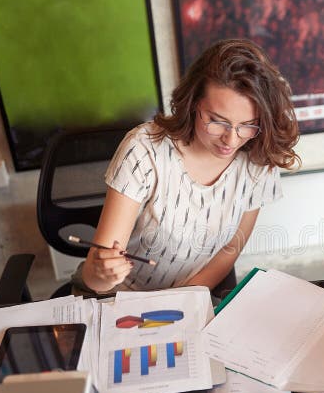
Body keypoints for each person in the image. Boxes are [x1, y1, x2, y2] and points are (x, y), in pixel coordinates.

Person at [78, 39, 299, 295]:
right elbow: (96, 279)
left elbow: (231, 248)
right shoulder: (144, 149)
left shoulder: (259, 157)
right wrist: (102, 273)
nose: (232, 139)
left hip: (190, 298)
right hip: (121, 299)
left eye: (248, 125)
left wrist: (181, 301)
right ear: (194, 103)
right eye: (217, 122)